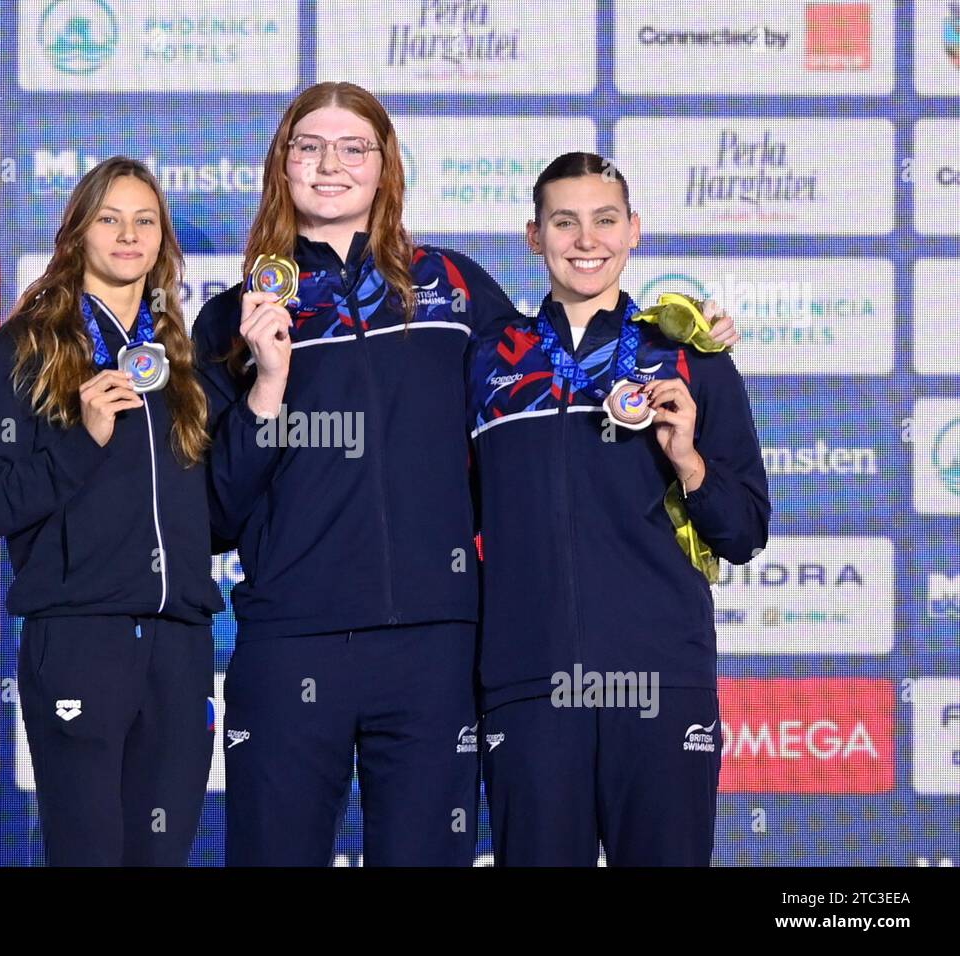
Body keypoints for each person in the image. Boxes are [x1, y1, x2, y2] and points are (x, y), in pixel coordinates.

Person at [192, 84, 738, 866]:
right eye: (309, 146)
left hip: (437, 649)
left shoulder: (451, 288)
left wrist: (684, 329)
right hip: (290, 641)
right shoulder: (234, 319)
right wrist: (268, 385)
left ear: (387, 168)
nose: (331, 164)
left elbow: (566, 366)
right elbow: (215, 514)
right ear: (282, 163)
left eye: (355, 148)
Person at [467, 152, 771, 866]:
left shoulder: (689, 354)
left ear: (634, 230)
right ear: (533, 237)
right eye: (563, 222)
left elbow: (745, 530)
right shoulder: (484, 359)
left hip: (660, 680)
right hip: (529, 683)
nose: (586, 240)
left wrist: (690, 459)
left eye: (605, 220)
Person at [0, 157, 222, 866]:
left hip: (179, 647)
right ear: (77, 233)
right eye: (110, 218)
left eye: (145, 220)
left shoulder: (180, 365)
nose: (129, 235)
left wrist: (267, 399)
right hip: (80, 644)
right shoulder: (20, 351)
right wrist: (80, 441)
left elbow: (208, 515)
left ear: (163, 239)